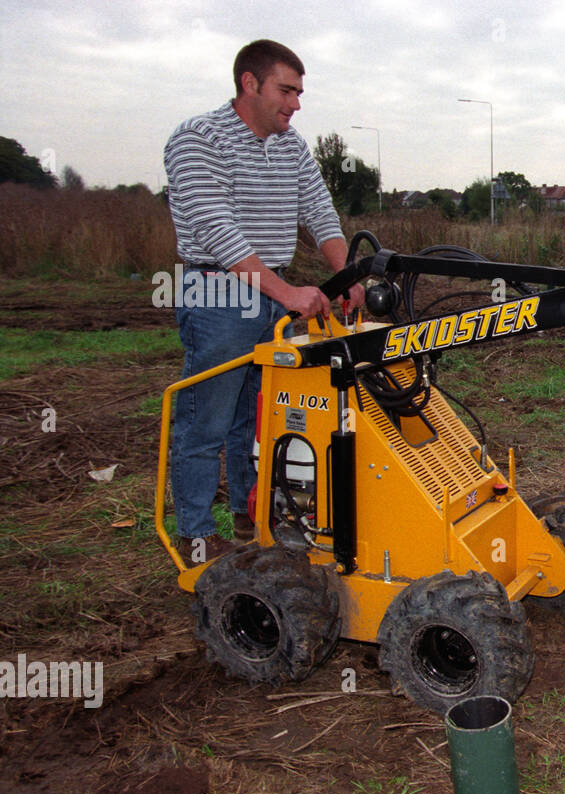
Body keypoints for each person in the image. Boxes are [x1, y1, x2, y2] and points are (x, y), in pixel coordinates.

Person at [164, 39, 363, 566]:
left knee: (263, 416)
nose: (296, 103)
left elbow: (321, 215)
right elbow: (216, 228)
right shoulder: (197, 138)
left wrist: (343, 275)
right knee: (206, 417)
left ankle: (254, 512)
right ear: (249, 84)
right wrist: (289, 293)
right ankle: (197, 537)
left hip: (273, 293)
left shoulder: (292, 146)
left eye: (299, 92)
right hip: (217, 292)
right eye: (287, 90)